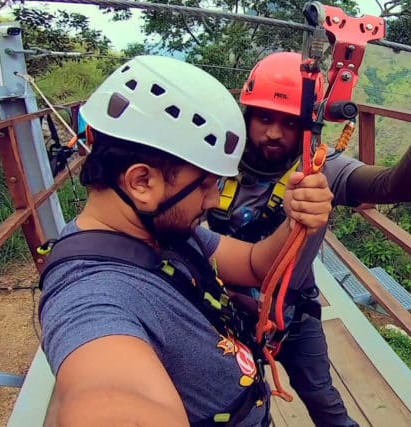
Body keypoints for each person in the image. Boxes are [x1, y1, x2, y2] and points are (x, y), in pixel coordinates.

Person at [37, 55, 335, 426]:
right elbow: (111, 398)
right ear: (142, 182)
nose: (212, 201)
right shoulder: (92, 293)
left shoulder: (164, 235)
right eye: (205, 185)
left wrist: (297, 220)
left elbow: (255, 264)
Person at [205, 46, 411, 426]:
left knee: (325, 403)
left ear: (309, 124)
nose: (272, 133)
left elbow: (395, 186)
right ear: (246, 115)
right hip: (222, 309)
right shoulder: (215, 163)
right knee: (233, 402)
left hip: (292, 316)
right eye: (264, 117)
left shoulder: (320, 167)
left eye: (288, 123)